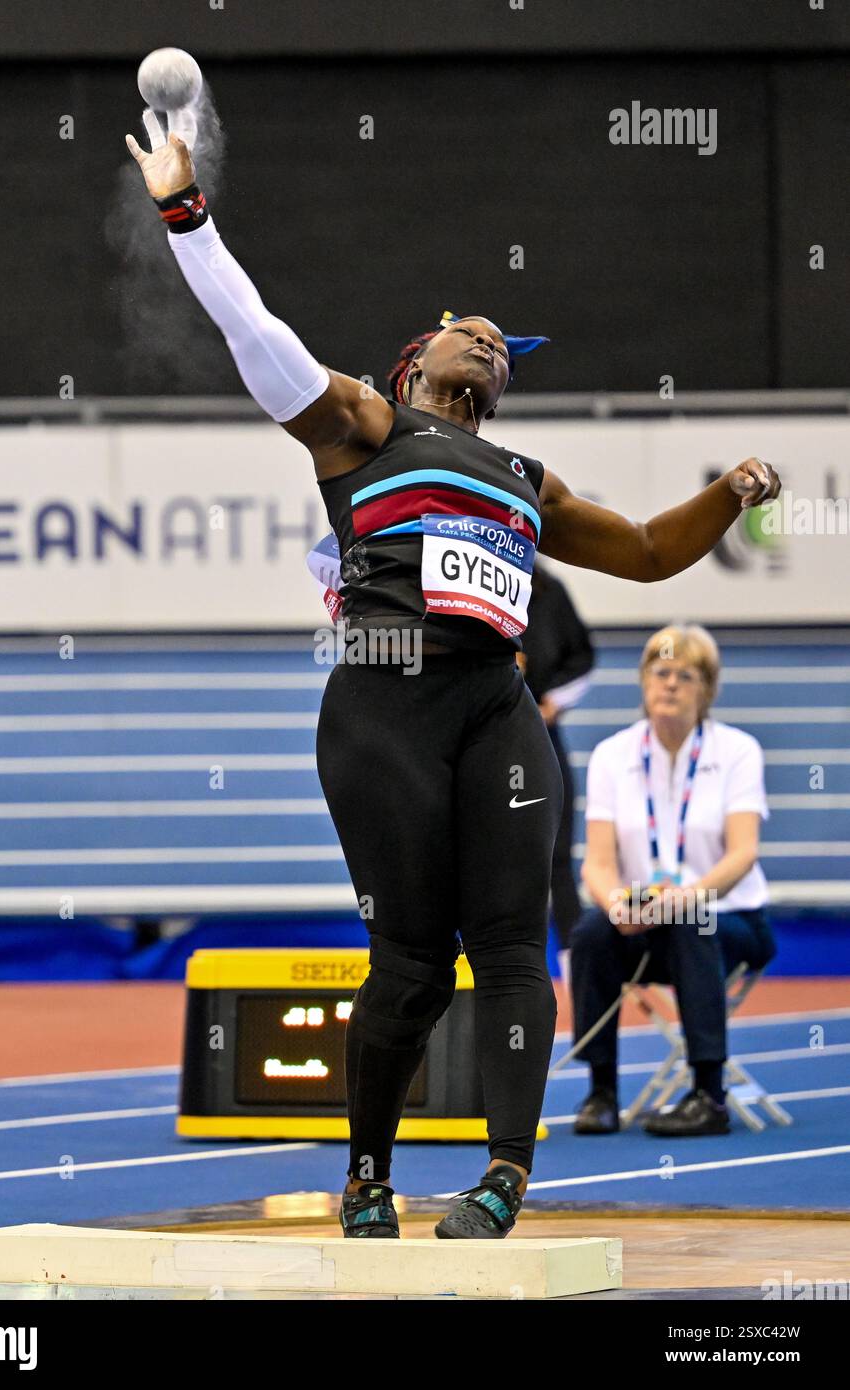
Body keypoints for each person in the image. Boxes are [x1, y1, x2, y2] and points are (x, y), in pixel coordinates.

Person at [125, 112, 781, 1238]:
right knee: (413, 966)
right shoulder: (364, 429)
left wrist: (728, 492)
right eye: (465, 334)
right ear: (410, 363)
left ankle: (504, 1179)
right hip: (381, 706)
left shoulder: (528, 476)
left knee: (516, 947)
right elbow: (252, 326)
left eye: (500, 344)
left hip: (494, 705)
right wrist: (185, 211)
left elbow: (643, 553)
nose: (486, 343)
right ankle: (367, 1173)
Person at [571, 624, 776, 1137]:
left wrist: (686, 898)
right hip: (646, 924)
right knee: (592, 932)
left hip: (730, 921)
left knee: (693, 921)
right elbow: (596, 863)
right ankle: (601, 1091)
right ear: (643, 681)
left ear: (706, 688)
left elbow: (744, 852)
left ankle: (709, 1094)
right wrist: (617, 904)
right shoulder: (612, 756)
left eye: (685, 675)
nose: (670, 684)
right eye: (660, 672)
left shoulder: (737, 751)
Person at [516, 560, 594, 986]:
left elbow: (582, 654)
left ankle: (576, 966)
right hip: (483, 740)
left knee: (558, 858)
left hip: (542, 737)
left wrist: (552, 705)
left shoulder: (547, 590)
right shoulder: (458, 577)